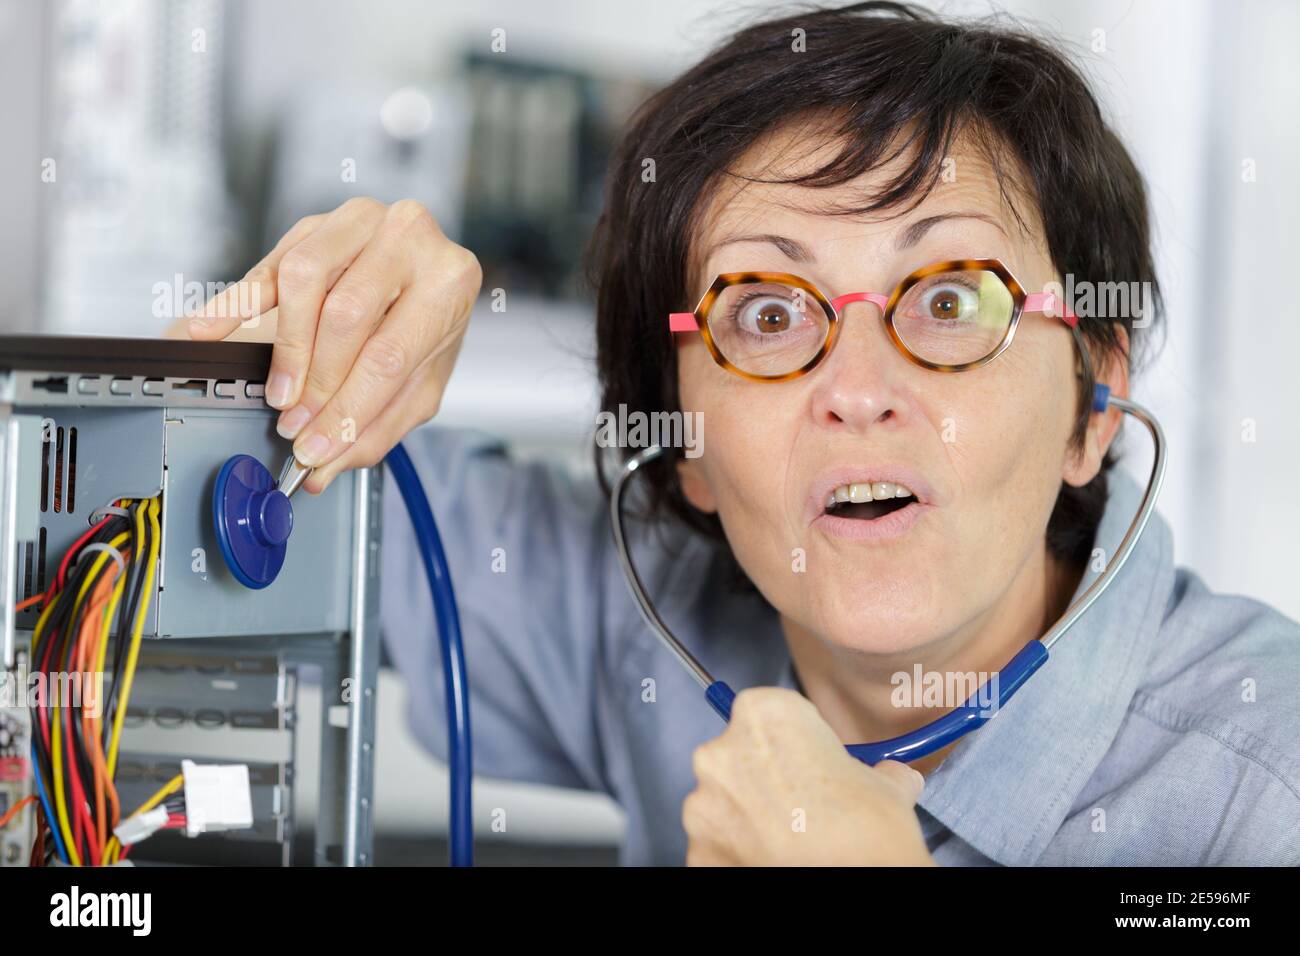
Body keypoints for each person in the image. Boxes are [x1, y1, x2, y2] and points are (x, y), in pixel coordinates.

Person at [174, 2, 1300, 865]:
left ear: (1090, 407)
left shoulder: (1264, 780)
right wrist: (318, 324)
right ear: (688, 448)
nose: (858, 390)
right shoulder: (646, 625)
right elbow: (210, 479)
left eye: (950, 300)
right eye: (765, 313)